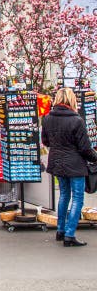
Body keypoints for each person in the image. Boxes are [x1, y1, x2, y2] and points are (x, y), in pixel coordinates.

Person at [41, 87, 97, 247]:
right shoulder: (77, 120)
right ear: (72, 100)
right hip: (75, 164)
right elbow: (85, 148)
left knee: (64, 195)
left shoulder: (47, 119)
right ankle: (70, 234)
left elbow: (46, 141)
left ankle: (61, 230)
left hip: (57, 162)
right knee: (77, 198)